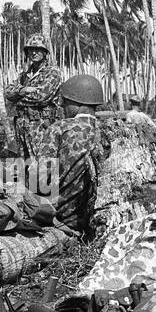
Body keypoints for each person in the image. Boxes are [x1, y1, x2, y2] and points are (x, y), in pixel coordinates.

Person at [48, 73, 111, 237]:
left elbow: (40, 176)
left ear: (77, 104)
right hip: (95, 219)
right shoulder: (108, 132)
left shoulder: (59, 128)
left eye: (66, 102)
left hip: (62, 219)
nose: (62, 107)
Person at [5, 33, 62, 161]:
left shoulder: (52, 73)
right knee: (25, 167)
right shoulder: (24, 76)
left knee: (44, 167)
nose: (34, 53)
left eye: (38, 50)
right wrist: (23, 90)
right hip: (22, 127)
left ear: (45, 52)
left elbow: (41, 97)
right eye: (31, 50)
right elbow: (8, 93)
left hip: (41, 126)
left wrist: (18, 97)